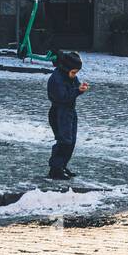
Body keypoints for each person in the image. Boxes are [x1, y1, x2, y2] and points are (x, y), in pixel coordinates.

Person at [47, 50, 89, 181]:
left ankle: (62, 165)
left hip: (69, 111)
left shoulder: (68, 75)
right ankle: (55, 168)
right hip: (59, 112)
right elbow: (62, 97)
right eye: (74, 72)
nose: (75, 75)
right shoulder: (56, 79)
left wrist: (79, 88)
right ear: (66, 69)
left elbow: (74, 87)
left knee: (71, 141)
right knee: (64, 140)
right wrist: (77, 90)